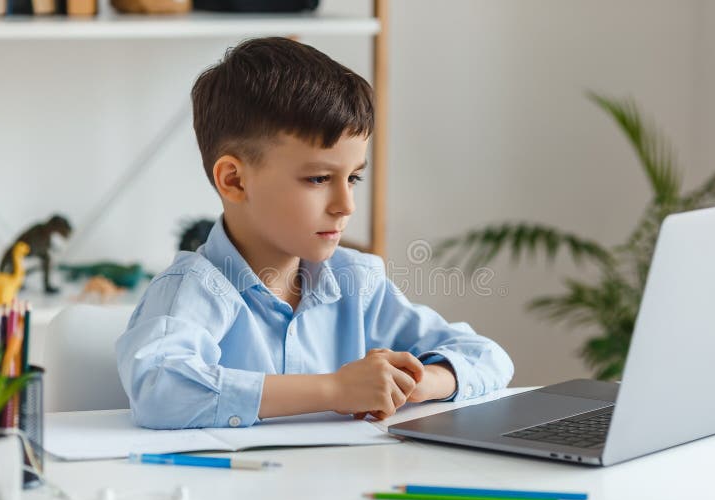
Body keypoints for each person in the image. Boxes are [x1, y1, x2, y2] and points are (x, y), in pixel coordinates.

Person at [116, 37, 513, 429]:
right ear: (234, 180)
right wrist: (334, 390)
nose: (346, 205)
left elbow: (488, 357)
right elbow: (159, 389)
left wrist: (415, 384)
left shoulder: (358, 282)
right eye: (319, 178)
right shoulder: (191, 289)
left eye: (353, 178)